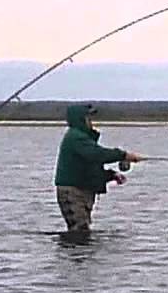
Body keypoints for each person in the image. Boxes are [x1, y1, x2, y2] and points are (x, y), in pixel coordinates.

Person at [54, 104, 142, 243]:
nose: (91, 121)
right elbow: (97, 154)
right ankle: (75, 261)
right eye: (88, 118)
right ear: (80, 119)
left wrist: (111, 175)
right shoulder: (75, 138)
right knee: (79, 231)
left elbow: (89, 168)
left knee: (82, 231)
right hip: (72, 192)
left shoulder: (83, 139)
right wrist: (123, 155)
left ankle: (80, 259)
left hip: (82, 190)